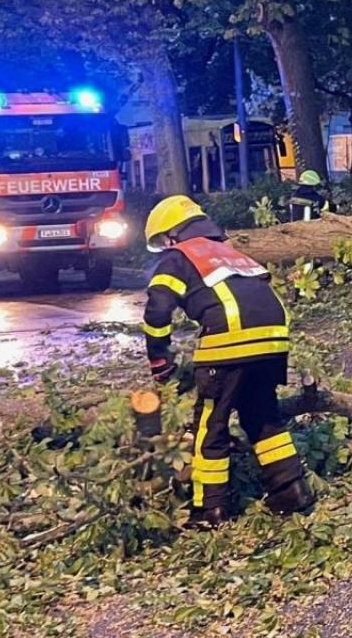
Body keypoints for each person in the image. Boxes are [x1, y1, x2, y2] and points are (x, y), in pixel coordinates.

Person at [143, 195, 316, 528]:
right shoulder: (230, 253)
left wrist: (159, 359)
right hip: (274, 338)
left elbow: (157, 310)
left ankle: (210, 510)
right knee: (262, 415)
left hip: (230, 340)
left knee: (211, 423)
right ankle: (291, 491)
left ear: (170, 236)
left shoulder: (178, 257)